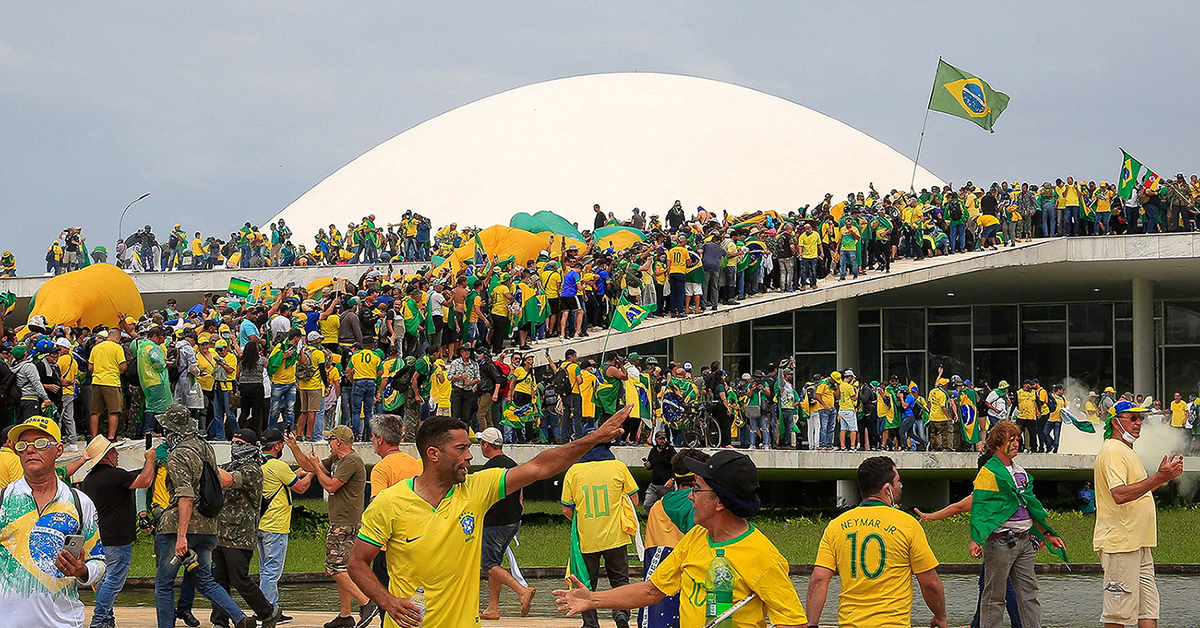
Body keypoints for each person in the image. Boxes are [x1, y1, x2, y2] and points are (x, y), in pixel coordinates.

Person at [347, 405, 632, 628]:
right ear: (433, 454)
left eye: (469, 448)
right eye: (461, 449)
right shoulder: (389, 502)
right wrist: (388, 602)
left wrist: (594, 437)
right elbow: (357, 562)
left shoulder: (476, 488)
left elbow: (540, 467)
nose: (470, 457)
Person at [555, 450, 807, 628]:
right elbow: (652, 590)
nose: (689, 497)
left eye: (697, 489)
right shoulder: (697, 536)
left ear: (719, 501)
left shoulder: (762, 555)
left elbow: (792, 622)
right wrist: (592, 600)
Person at [806, 456, 947, 628]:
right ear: (887, 488)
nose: (900, 486)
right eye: (897, 481)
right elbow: (930, 583)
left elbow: (818, 580)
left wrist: (812, 624)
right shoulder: (907, 524)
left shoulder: (835, 527)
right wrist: (940, 617)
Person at [152, 404, 253, 628]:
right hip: (208, 526)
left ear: (172, 431)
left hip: (178, 528)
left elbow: (185, 496)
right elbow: (217, 479)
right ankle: (239, 618)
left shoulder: (178, 455)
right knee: (205, 580)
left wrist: (181, 536)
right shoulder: (205, 447)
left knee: (164, 584)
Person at [0, 416, 106, 627]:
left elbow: (99, 561)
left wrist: (81, 570)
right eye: (23, 445)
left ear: (58, 450)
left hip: (63, 622)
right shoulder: (3, 501)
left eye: (40, 443)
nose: (30, 450)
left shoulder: (78, 502)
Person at [1094, 400, 1183, 628]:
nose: (1138, 423)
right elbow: (1119, 494)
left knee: (1148, 611)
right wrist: (1158, 478)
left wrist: (1163, 478)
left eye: (1140, 419)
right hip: (1120, 543)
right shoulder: (1113, 451)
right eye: (1132, 418)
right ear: (1115, 422)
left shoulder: (1126, 450)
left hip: (1139, 541)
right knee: (1118, 614)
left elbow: (1139, 490)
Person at [969, 421, 1065, 628]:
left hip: (1024, 542)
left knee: (1029, 594)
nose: (1016, 443)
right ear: (997, 443)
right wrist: (976, 538)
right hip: (1000, 542)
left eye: (1018, 439)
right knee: (995, 596)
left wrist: (1047, 533)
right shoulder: (989, 472)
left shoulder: (1020, 472)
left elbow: (1031, 506)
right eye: (1011, 439)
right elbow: (981, 507)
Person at [286, 424, 371, 628]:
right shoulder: (337, 459)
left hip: (346, 523)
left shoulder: (351, 461)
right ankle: (345, 616)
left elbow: (331, 485)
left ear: (338, 441)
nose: (328, 443)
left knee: (333, 567)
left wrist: (316, 467)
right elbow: (308, 466)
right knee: (342, 568)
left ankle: (367, 602)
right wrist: (294, 447)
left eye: (330, 440)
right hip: (341, 521)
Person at [560, 426, 641, 628]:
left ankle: (590, 624)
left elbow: (566, 509)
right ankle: (621, 616)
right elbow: (635, 500)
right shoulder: (618, 467)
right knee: (620, 581)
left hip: (587, 538)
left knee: (586, 584)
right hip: (616, 536)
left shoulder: (573, 471)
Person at [79, 436, 156, 628]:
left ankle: (107, 620)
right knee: (113, 581)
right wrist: (150, 459)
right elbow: (145, 481)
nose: (117, 454)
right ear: (106, 455)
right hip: (116, 539)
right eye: (114, 451)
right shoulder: (115, 475)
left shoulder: (89, 480)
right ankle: (99, 620)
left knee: (104, 580)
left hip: (99, 538)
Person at [212, 429, 279, 628]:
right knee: (218, 581)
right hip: (220, 533)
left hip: (240, 536)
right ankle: (220, 622)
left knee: (239, 579)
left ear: (250, 446)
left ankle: (267, 611)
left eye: (240, 443)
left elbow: (227, 479)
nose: (235, 447)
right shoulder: (230, 466)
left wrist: (208, 462)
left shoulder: (253, 470)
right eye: (233, 442)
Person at [477, 427, 537, 621]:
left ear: (486, 445)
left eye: (480, 444)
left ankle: (522, 591)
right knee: (496, 562)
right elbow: (520, 495)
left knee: (488, 564)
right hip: (513, 521)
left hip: (496, 522)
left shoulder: (489, 468)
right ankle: (492, 608)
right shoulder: (512, 464)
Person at [257, 429, 313, 620]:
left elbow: (278, 482)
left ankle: (267, 607)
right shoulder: (277, 465)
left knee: (265, 569)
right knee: (272, 570)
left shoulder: (258, 463)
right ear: (278, 446)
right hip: (276, 525)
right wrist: (312, 471)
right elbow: (301, 487)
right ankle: (268, 611)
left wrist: (296, 473)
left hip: (260, 524)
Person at [88, 327, 128, 441]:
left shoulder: (96, 348)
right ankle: (111, 437)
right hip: (112, 382)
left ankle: (94, 437)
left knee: (95, 412)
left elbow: (90, 367)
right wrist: (119, 371)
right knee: (114, 411)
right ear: (117, 337)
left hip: (96, 381)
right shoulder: (117, 347)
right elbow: (123, 366)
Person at [642, 430, 675, 510]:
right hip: (654, 485)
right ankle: (652, 520)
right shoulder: (653, 451)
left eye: (664, 439)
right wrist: (648, 465)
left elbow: (677, 466)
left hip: (666, 486)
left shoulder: (670, 450)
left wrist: (672, 479)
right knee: (647, 504)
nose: (662, 441)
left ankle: (665, 522)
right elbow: (651, 466)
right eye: (660, 439)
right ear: (656, 440)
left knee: (666, 508)